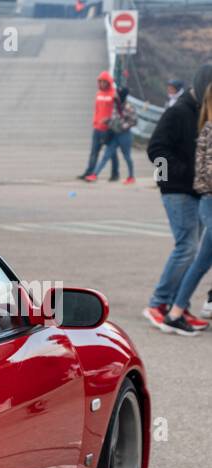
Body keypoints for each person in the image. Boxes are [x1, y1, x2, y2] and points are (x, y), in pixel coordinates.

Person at [145, 64, 212, 334]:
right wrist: (171, 176)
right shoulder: (178, 112)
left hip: (196, 190)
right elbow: (155, 150)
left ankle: (177, 305)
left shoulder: (202, 111)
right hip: (176, 189)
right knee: (187, 247)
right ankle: (159, 303)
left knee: (193, 249)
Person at [86, 85, 136, 183]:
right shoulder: (115, 104)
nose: (115, 94)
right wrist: (108, 121)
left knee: (127, 156)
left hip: (125, 135)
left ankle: (131, 176)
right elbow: (114, 118)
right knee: (106, 155)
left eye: (117, 93)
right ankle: (94, 175)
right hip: (114, 134)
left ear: (122, 95)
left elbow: (134, 121)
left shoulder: (129, 107)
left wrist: (121, 126)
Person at [79, 71, 120, 181]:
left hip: (108, 129)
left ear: (108, 82)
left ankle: (115, 174)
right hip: (97, 128)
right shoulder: (98, 94)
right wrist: (95, 121)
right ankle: (89, 172)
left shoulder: (114, 94)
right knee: (94, 152)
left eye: (104, 82)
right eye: (100, 82)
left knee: (111, 153)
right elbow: (96, 110)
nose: (102, 84)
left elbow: (118, 111)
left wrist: (111, 123)